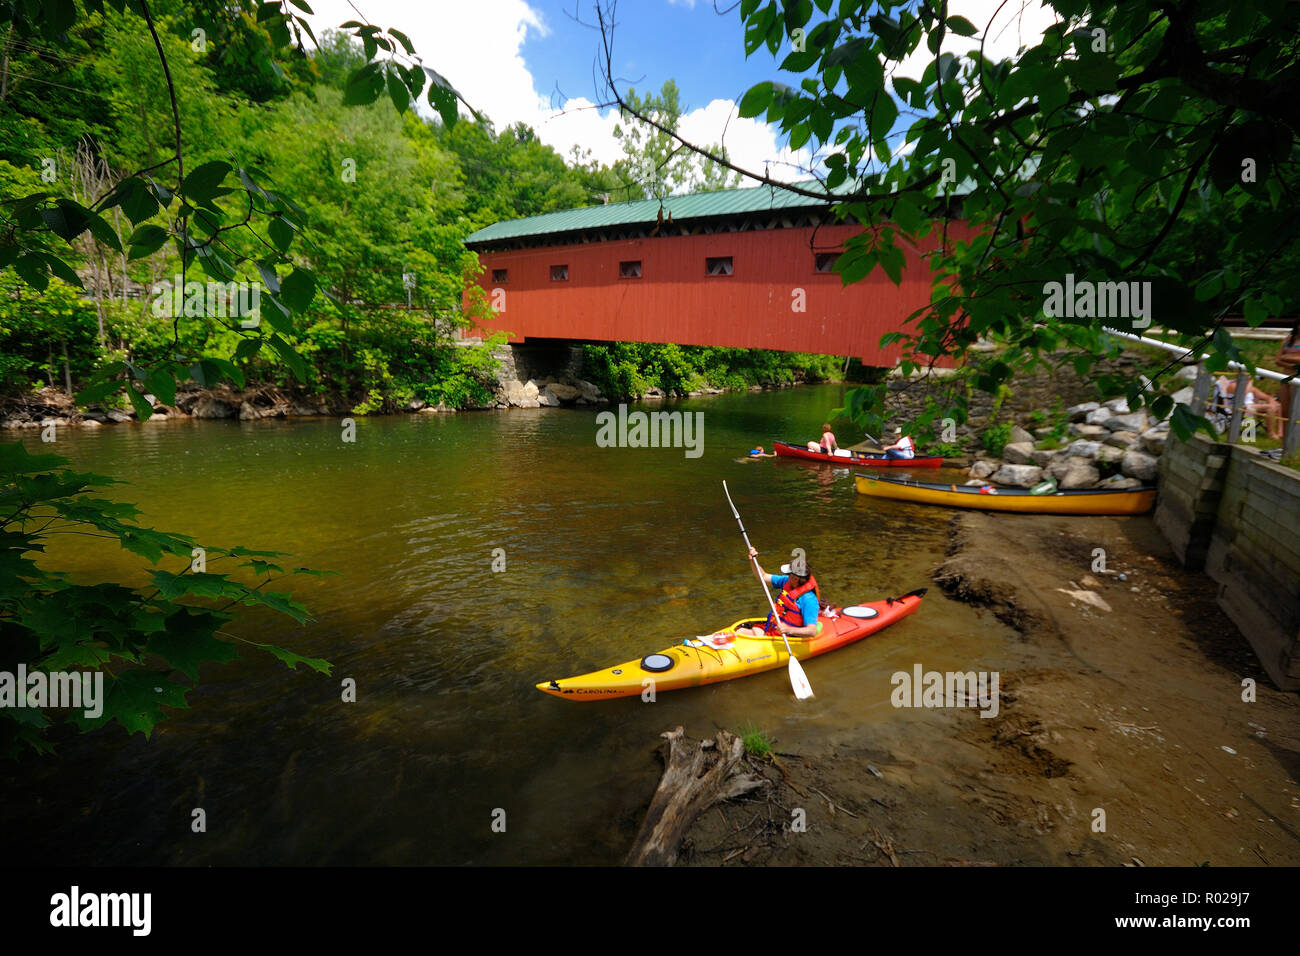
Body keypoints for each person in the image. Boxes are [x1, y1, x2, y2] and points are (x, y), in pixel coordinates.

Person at [735, 547, 821, 638]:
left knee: (742, 634)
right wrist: (753, 561)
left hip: (789, 637)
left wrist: (788, 629)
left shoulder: (809, 600)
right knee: (739, 630)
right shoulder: (787, 581)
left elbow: (812, 631)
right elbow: (763, 576)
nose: (786, 576)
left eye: (789, 574)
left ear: (795, 578)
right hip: (774, 630)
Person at [1277, 322, 1300, 440]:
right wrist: (1294, 364)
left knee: (1296, 410)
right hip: (1285, 377)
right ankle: (1285, 439)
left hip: (1298, 379)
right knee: (1285, 410)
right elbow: (1277, 360)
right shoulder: (1288, 340)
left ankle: (1295, 439)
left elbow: (1282, 358)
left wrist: (1285, 358)